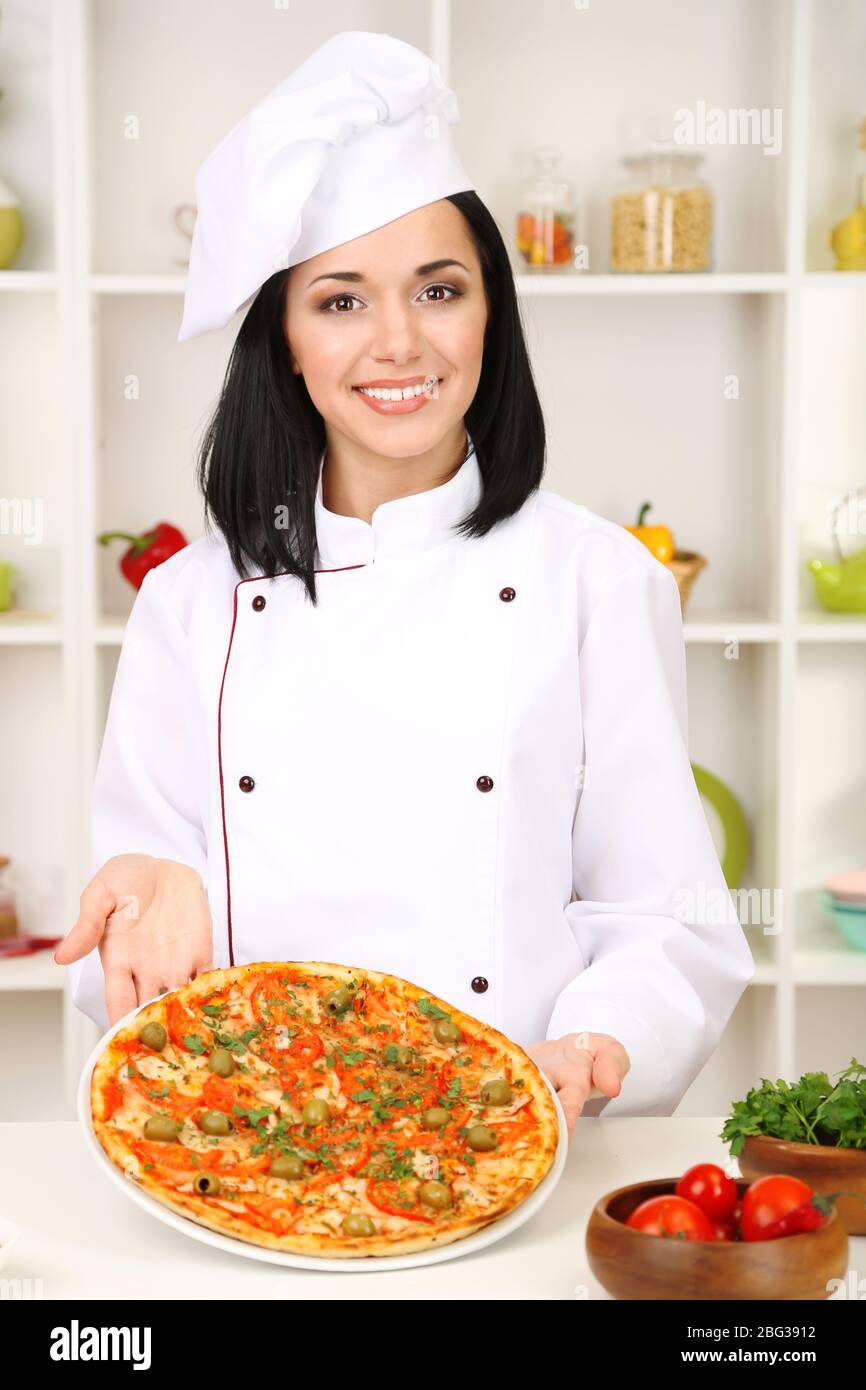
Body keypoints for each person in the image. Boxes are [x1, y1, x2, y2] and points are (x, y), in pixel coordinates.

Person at [55, 31, 754, 1136]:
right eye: (338, 301)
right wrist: (146, 893)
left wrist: (599, 1038)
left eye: (438, 289)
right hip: (247, 1155)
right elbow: (130, 939)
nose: (397, 342)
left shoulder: (597, 580)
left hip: (501, 1140)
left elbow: (661, 916)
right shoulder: (187, 602)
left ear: (490, 313)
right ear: (283, 339)